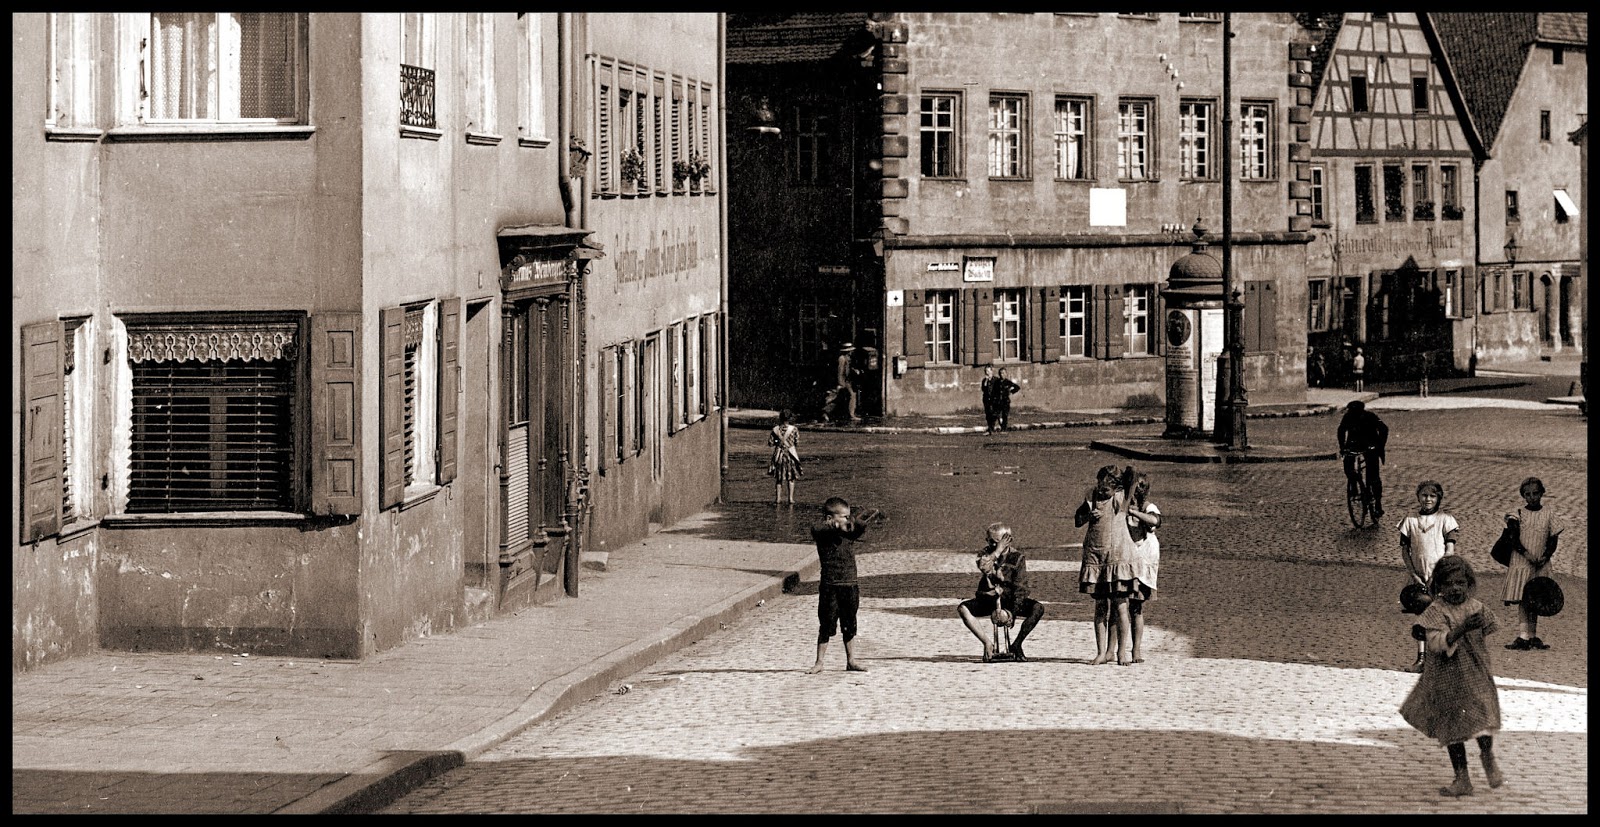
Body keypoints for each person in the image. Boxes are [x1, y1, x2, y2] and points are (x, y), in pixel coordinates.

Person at [1398, 556, 1505, 798]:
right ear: (1440, 587)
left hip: (1475, 672)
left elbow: (1489, 628)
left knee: (1483, 715)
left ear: (1469, 584)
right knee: (1453, 726)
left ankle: (1487, 755)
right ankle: (1462, 777)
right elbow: (1436, 643)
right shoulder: (1436, 611)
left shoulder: (1477, 607)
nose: (1456, 588)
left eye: (1461, 583)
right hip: (1447, 678)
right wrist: (1461, 629)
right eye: (1449, 584)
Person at [1074, 465, 1139, 666]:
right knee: (1100, 607)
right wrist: (1087, 516)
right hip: (1097, 559)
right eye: (1099, 486)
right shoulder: (1091, 496)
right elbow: (1077, 520)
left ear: (1116, 487)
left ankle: (1121, 652)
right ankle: (1102, 652)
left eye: (1105, 488)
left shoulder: (1121, 498)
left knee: (1120, 607)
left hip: (1118, 558)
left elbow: (1133, 476)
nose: (1101, 491)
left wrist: (1124, 473)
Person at [957, 522, 1045, 662]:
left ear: (1008, 540)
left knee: (1037, 608)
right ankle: (987, 643)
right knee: (963, 608)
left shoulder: (1017, 557)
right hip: (989, 598)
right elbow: (984, 567)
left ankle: (1017, 644)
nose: (991, 545)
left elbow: (1020, 588)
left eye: (995, 542)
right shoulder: (986, 554)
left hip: (1009, 600)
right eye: (989, 541)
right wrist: (997, 552)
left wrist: (1012, 613)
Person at [808, 496, 876, 673]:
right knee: (826, 623)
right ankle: (819, 662)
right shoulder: (822, 534)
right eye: (843, 516)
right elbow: (816, 528)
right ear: (830, 518)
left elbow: (861, 526)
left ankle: (851, 660)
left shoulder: (849, 533)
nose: (847, 520)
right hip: (830, 585)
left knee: (850, 623)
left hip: (850, 583)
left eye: (848, 516)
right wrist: (836, 526)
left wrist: (850, 523)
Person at [1398, 480, 1460, 673]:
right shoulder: (1410, 520)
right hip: (1418, 576)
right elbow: (1405, 551)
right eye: (1424, 495)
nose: (1428, 499)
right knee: (1421, 616)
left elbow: (1449, 549)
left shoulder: (1445, 520)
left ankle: (1443, 659)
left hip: (1439, 577)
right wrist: (1413, 574)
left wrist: (1437, 573)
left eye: (1432, 496)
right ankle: (1421, 658)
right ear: (1418, 497)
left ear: (1438, 498)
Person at [1501, 477, 1567, 651]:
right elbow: (1513, 538)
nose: (1531, 497)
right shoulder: (1518, 514)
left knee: (1536, 597)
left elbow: (1553, 539)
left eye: (1535, 493)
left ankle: (1532, 634)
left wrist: (1545, 556)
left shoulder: (1549, 514)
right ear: (1523, 495)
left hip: (1540, 562)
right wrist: (1527, 554)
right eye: (1527, 494)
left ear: (1542, 493)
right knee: (1523, 598)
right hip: (1522, 562)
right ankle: (1523, 635)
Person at [1125, 473, 1162, 664]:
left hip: (1144, 557)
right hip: (1126, 557)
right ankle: (1119, 649)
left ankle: (1136, 650)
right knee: (1122, 606)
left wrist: (1133, 513)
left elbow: (1155, 521)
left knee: (1136, 607)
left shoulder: (1148, 507)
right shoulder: (1122, 504)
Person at [1337, 399, 1389, 519]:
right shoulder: (1348, 417)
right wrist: (1342, 447)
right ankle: (1355, 483)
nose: (1353, 413)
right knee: (1348, 467)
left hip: (1371, 446)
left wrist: (1379, 445)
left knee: (1373, 476)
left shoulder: (1370, 416)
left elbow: (1384, 429)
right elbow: (1341, 430)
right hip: (1353, 445)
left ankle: (1377, 503)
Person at [767, 409, 802, 505]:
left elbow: (770, 443)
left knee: (779, 478)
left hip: (779, 456)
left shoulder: (775, 429)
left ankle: (778, 498)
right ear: (790, 418)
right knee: (791, 478)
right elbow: (796, 442)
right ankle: (790, 498)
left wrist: (778, 442)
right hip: (790, 456)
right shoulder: (794, 429)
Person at [825, 342, 860, 422]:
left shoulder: (847, 358)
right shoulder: (842, 358)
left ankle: (827, 411)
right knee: (851, 395)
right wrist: (841, 383)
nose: (851, 352)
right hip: (844, 381)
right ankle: (851, 415)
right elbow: (840, 372)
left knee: (840, 397)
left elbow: (848, 369)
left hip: (847, 380)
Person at [987, 367, 1021, 432]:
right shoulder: (997, 382)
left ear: (1006, 374)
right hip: (998, 402)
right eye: (1000, 373)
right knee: (995, 415)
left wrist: (1011, 391)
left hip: (1005, 401)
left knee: (1005, 416)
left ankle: (1004, 429)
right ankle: (991, 429)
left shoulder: (1008, 382)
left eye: (1003, 373)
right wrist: (992, 400)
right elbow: (994, 392)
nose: (1002, 375)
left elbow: (1017, 387)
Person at [979, 366, 998, 433]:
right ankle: (990, 428)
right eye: (985, 371)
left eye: (988, 371)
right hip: (986, 399)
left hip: (994, 399)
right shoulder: (984, 380)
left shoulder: (996, 380)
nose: (986, 373)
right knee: (988, 414)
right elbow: (983, 389)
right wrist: (986, 381)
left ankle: (992, 427)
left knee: (993, 413)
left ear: (991, 371)